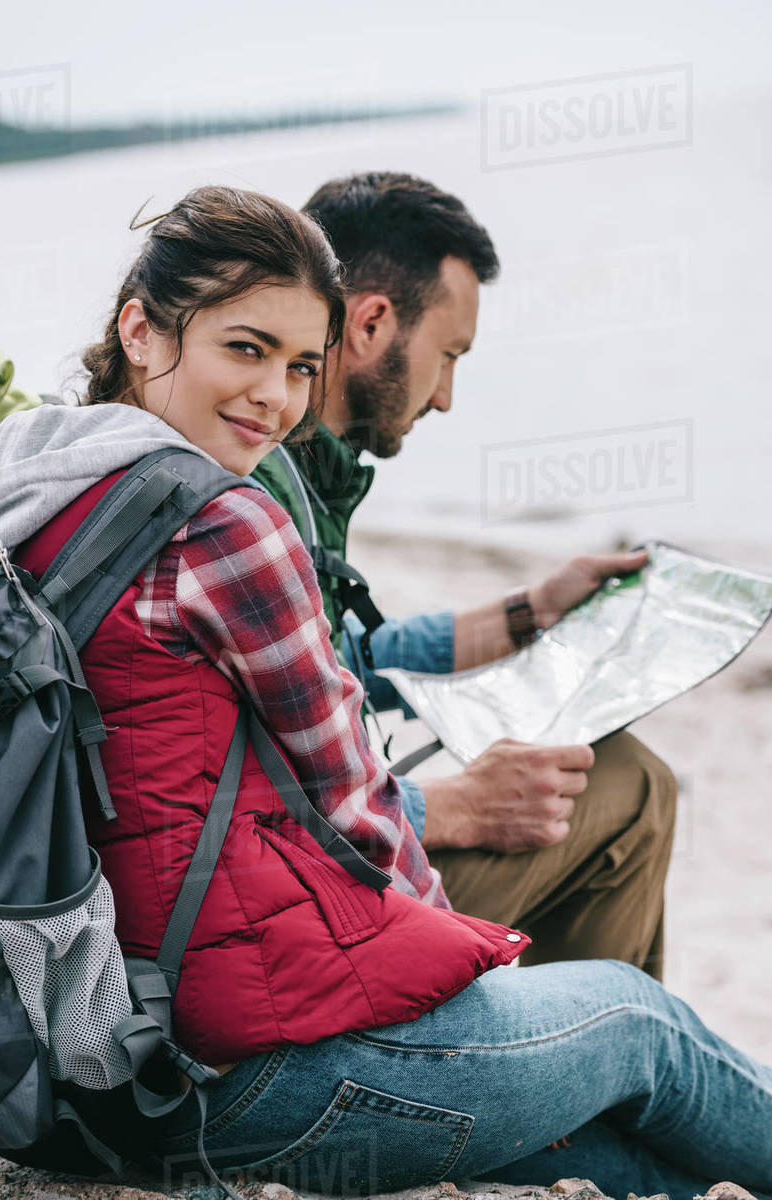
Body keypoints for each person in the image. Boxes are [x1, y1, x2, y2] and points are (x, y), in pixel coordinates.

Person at [0, 185, 769, 1200]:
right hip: (235, 1071)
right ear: (141, 329)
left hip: (88, 1052)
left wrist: (524, 608)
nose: (275, 397)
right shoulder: (224, 522)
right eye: (246, 349)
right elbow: (357, 803)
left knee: (630, 1160)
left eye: (300, 366)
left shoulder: (31, 491)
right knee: (641, 1024)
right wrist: (457, 989)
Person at [253, 171, 677, 979]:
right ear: (373, 322)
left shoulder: (298, 472)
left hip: (304, 884)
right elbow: (238, 792)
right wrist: (449, 807)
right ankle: (599, 1064)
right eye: (447, 355)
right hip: (296, 929)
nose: (445, 397)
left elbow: (343, 660)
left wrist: (529, 611)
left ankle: (590, 1057)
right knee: (629, 789)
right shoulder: (258, 493)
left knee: (607, 767)